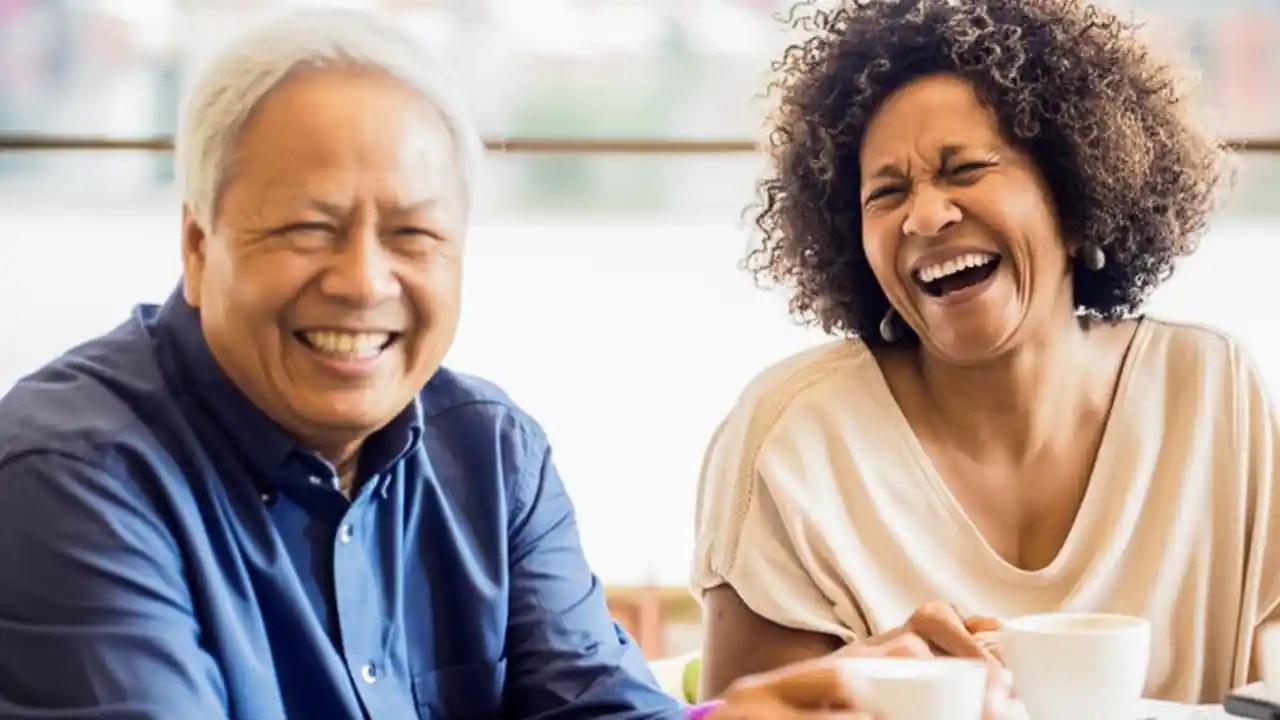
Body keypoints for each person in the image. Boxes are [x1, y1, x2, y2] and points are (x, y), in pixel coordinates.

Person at [0, 7, 1014, 720]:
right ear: (196, 244)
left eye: (412, 234)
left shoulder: (489, 454)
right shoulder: (74, 475)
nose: (362, 282)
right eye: (309, 228)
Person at [691, 0, 1277, 706]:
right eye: (888, 192)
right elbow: (747, 713)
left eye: (964, 169)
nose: (926, 215)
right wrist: (868, 676)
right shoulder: (791, 439)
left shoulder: (1210, 393)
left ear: (1073, 193)